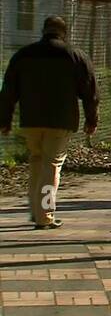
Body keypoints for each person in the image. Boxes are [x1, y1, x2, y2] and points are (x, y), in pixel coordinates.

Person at [0, 16, 99, 230]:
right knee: (51, 167)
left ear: (43, 31)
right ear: (64, 32)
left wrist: (4, 119)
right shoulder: (75, 56)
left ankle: (36, 211)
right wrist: (92, 119)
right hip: (60, 122)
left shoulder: (24, 55)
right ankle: (46, 214)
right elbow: (90, 92)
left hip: (31, 120)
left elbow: (8, 91)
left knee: (36, 162)